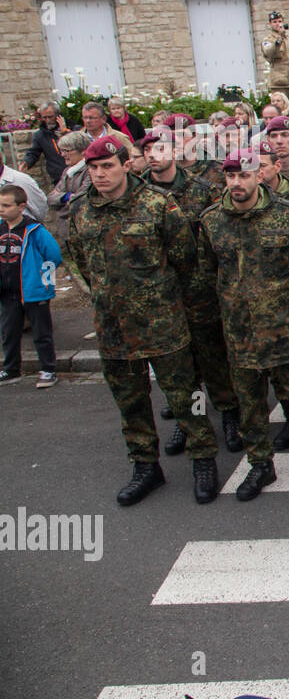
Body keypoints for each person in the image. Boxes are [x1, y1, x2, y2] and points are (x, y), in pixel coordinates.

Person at [69, 135, 220, 504]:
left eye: (107, 166)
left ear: (125, 164)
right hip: (114, 328)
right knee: (130, 402)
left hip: (163, 323)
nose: (100, 175)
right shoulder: (81, 211)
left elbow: (186, 261)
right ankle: (145, 466)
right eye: (93, 168)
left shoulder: (158, 205)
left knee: (186, 396)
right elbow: (81, 262)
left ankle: (203, 458)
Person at [197, 149, 289, 501]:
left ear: (260, 175)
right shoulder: (212, 220)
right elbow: (208, 271)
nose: (237, 182)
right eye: (230, 176)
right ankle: (260, 464)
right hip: (241, 334)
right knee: (251, 406)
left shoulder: (288, 215)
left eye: (244, 175)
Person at [141, 127, 242, 456]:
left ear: (174, 151)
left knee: (213, 358)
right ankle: (191, 422)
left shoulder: (203, 191)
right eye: (148, 151)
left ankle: (229, 414)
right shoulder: (139, 195)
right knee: (182, 370)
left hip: (199, 292)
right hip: (159, 299)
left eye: (160, 149)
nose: (154, 156)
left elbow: (220, 236)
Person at [0, 185, 60, 388]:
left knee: (42, 333)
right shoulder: (0, 228)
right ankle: (11, 370)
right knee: (9, 333)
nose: (1, 209)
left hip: (33, 291)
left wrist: (43, 281)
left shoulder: (34, 230)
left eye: (6, 205)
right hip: (7, 293)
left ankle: (48, 370)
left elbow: (53, 256)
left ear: (21, 206)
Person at [43, 132, 87, 236]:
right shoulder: (67, 171)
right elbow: (50, 199)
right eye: (62, 150)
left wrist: (63, 197)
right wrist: (66, 196)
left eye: (67, 151)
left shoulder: (90, 171)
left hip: (82, 229)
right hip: (66, 231)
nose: (63, 154)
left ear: (83, 152)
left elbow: (80, 200)